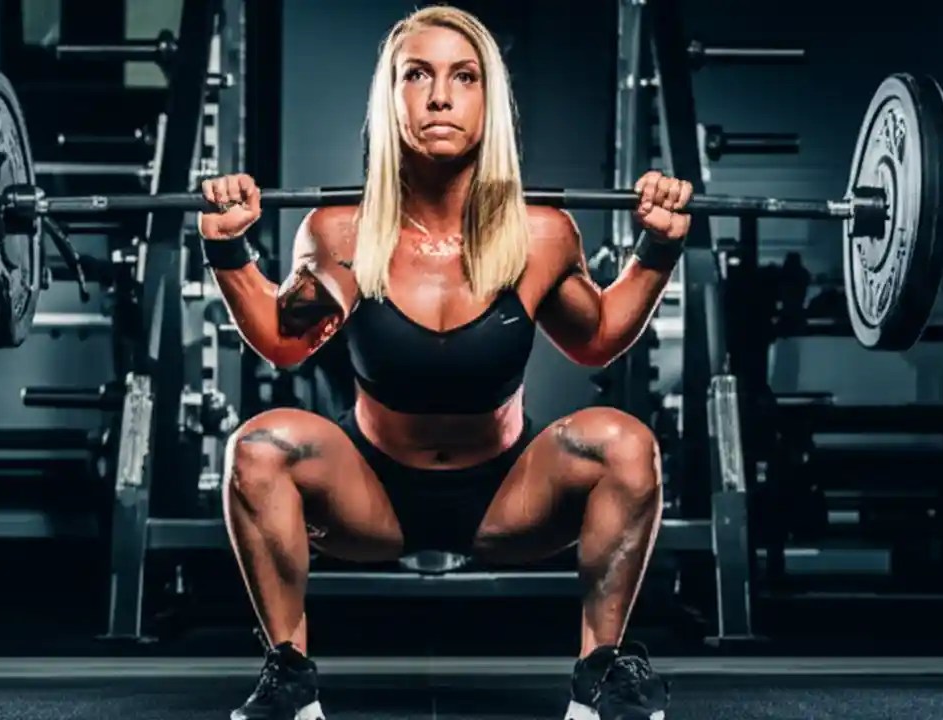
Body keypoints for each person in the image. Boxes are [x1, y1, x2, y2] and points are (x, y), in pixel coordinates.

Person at [198, 5, 690, 720]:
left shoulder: (540, 232)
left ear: (488, 99)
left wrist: (659, 249)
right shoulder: (341, 230)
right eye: (417, 75)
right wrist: (228, 249)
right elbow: (281, 339)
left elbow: (598, 340)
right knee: (260, 445)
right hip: (369, 495)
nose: (438, 96)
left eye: (464, 77)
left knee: (627, 444)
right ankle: (289, 678)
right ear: (389, 97)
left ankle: (601, 676)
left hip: (508, 498)